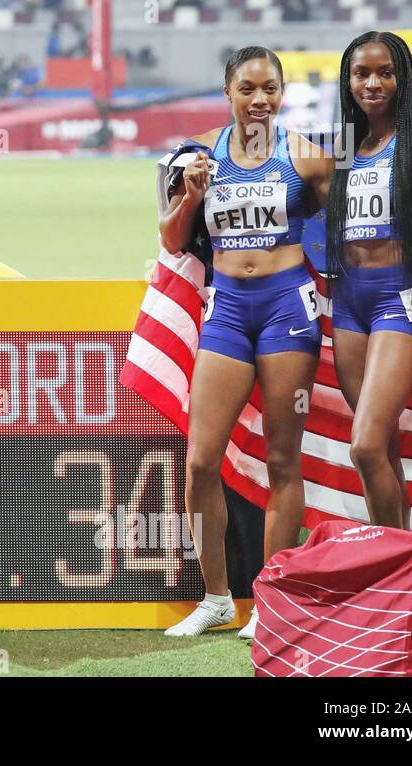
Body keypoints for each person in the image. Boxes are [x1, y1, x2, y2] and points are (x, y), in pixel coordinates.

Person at [157, 47, 332, 638]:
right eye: (248, 88)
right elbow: (174, 239)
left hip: (288, 310)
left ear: (283, 93)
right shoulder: (197, 154)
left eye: (271, 89)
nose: (260, 100)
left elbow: (355, 234)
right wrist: (190, 194)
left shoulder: (307, 158)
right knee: (201, 460)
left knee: (283, 459)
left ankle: (271, 604)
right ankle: (214, 599)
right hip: (227, 311)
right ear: (227, 90)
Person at [325, 32, 412, 530]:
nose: (373, 83)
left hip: (403, 296)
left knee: (365, 445)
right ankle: (407, 564)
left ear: (403, 77)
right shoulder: (341, 147)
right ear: (348, 81)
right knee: (383, 445)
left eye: (384, 72)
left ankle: (388, 563)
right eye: (361, 74)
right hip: (350, 300)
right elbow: (317, 213)